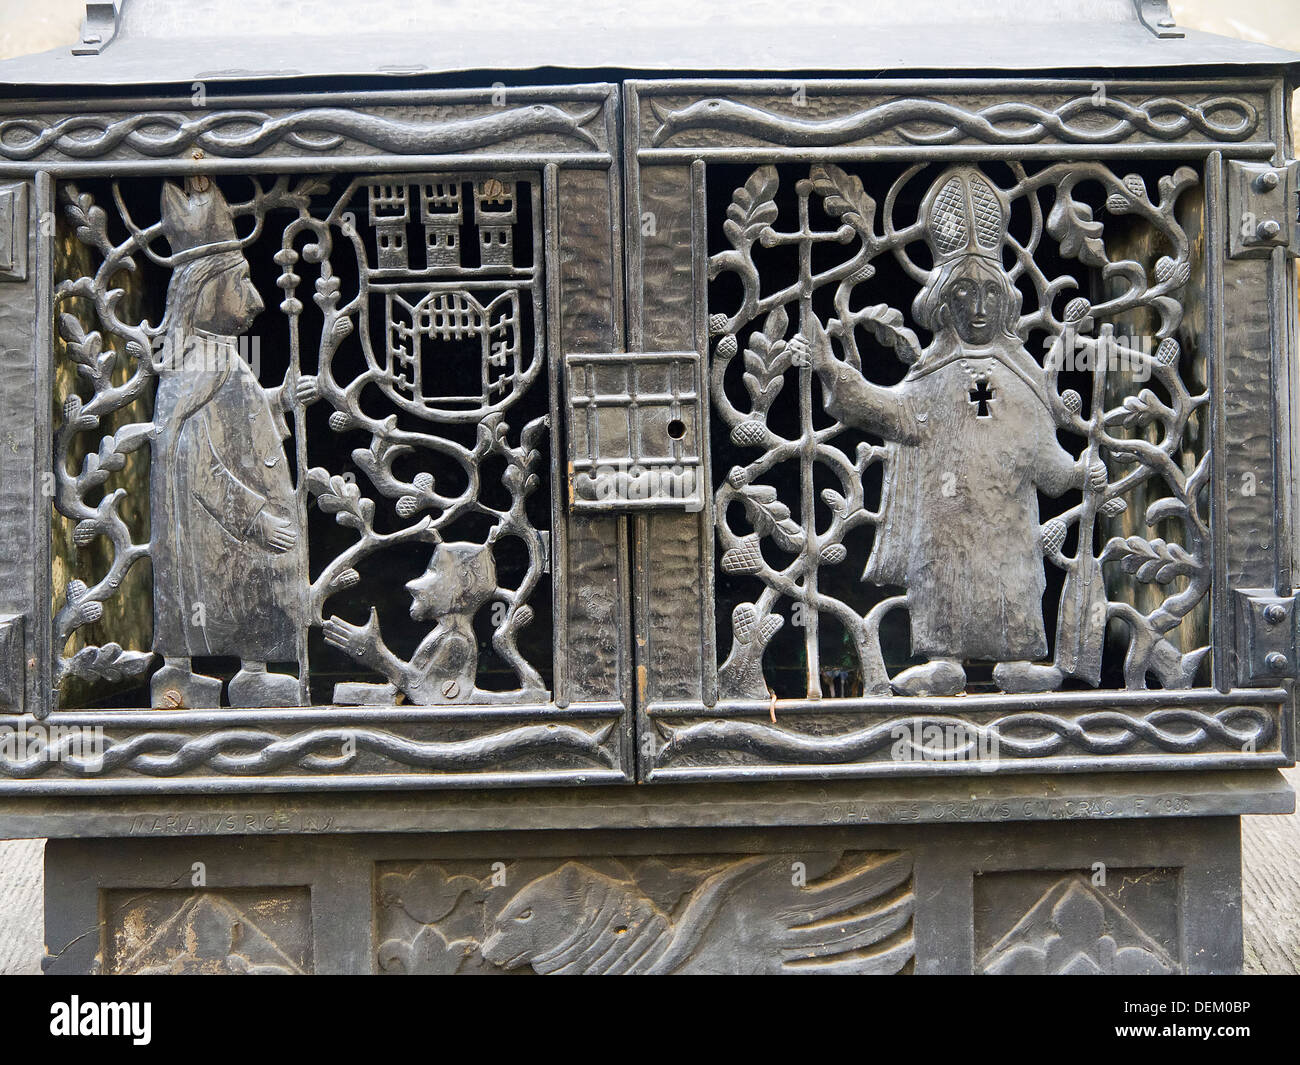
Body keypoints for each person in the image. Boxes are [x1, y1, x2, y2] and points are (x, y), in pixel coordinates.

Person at [798, 166, 1104, 696]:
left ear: (1005, 301)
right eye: (963, 295)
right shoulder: (932, 378)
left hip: (1010, 523)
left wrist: (1080, 472)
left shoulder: (1022, 377)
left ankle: (1018, 663)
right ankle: (944, 662)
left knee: (1016, 582)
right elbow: (888, 410)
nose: (978, 308)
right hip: (943, 521)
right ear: (943, 303)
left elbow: (1043, 458)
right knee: (942, 578)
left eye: (989, 294)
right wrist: (830, 366)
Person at [149, 180, 316, 708]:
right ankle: (198, 674)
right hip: (221, 528)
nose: (258, 300)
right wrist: (255, 517)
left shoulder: (216, 355)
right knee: (235, 595)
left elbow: (233, 423)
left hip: (230, 530)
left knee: (247, 596)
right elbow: (192, 460)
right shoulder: (200, 361)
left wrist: (279, 401)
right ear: (208, 289)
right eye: (242, 283)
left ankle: (245, 672)